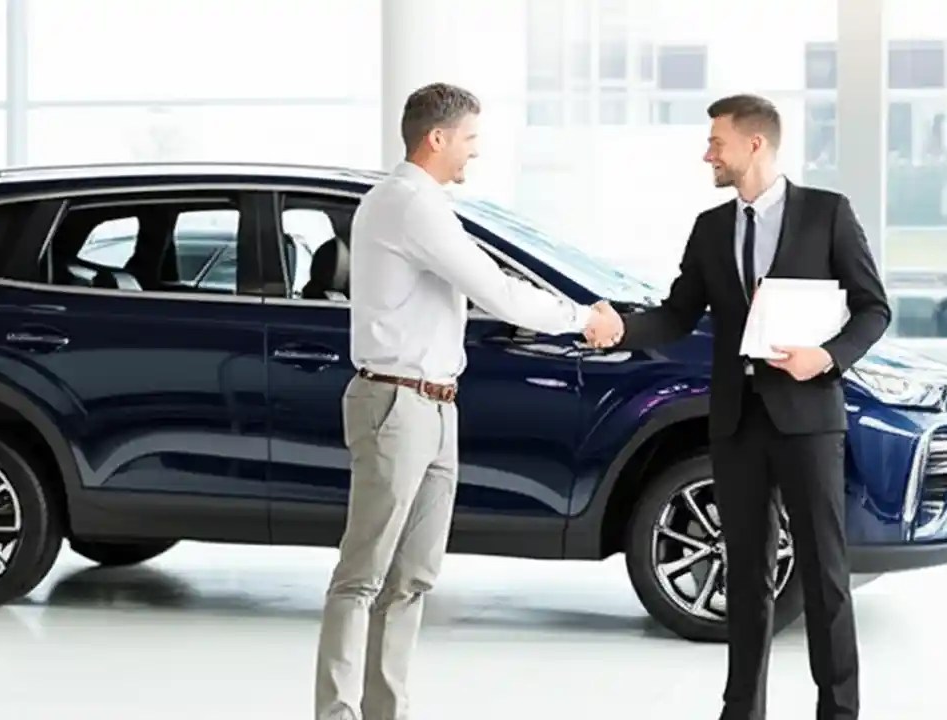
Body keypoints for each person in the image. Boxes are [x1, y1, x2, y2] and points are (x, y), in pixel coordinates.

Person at [313, 82, 622, 720]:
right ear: (438, 138)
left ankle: (385, 711)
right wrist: (581, 316)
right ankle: (337, 713)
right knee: (363, 575)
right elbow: (496, 289)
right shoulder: (407, 205)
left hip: (436, 406)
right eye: (471, 140)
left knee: (413, 577)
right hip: (396, 407)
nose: (474, 153)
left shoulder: (422, 205)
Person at [609, 94, 890, 719]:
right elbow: (678, 315)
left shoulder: (827, 214)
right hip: (736, 422)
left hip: (809, 418)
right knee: (746, 579)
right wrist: (617, 328)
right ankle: (742, 711)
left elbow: (875, 309)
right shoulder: (712, 227)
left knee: (823, 574)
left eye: (717, 142)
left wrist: (828, 357)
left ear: (754, 144)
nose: (708, 153)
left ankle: (839, 711)